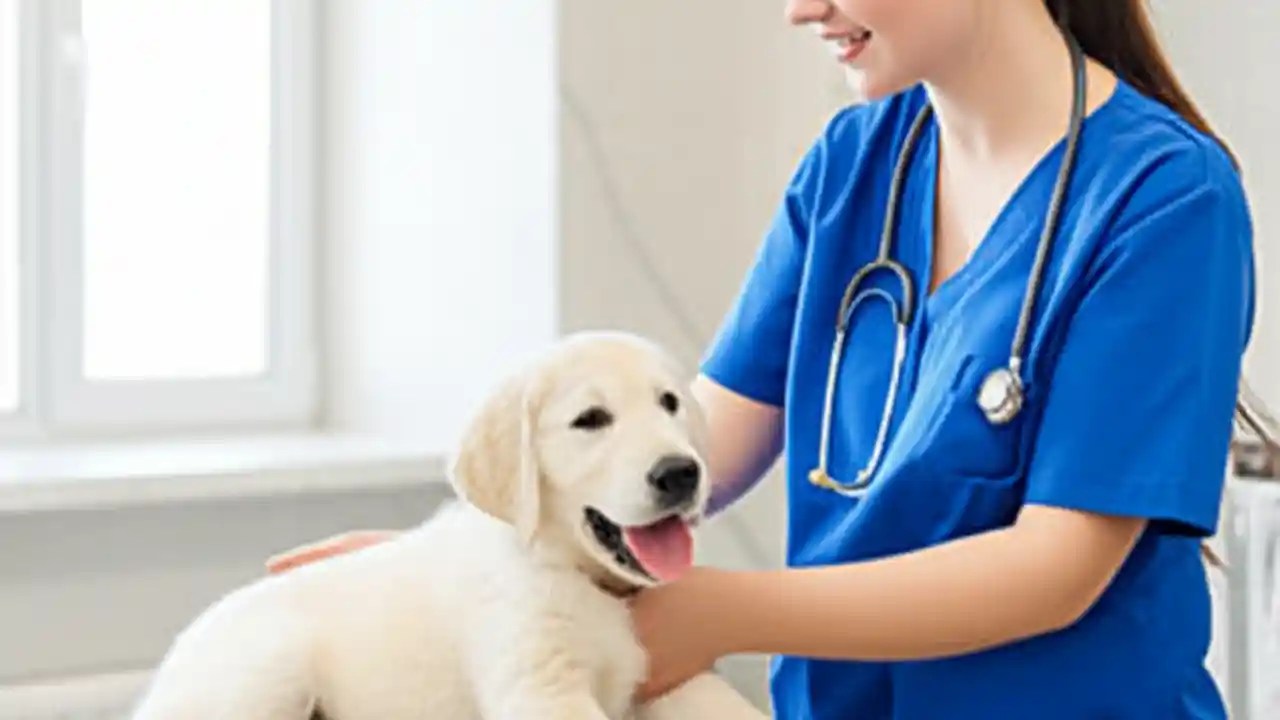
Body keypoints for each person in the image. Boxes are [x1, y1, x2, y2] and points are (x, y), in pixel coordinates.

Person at [268, 1, 1256, 717]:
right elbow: (686, 454)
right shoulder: (853, 164)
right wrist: (454, 565)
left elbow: (1053, 571)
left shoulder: (1165, 200)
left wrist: (719, 613)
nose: (800, 8)